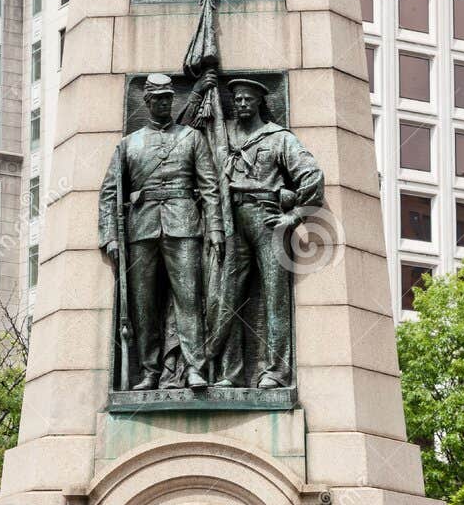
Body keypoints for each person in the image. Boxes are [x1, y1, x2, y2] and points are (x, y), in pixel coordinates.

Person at [98, 73, 223, 390]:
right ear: (148, 102)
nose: (166, 102)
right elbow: (110, 194)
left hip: (184, 226)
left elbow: (209, 187)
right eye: (159, 99)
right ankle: (150, 371)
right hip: (142, 230)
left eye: (169, 97)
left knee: (189, 300)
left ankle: (194, 368)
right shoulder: (129, 144)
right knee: (144, 306)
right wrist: (111, 236)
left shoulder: (192, 138)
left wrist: (216, 228)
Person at [212, 77, 324, 389]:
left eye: (248, 99)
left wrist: (294, 216)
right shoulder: (224, 136)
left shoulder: (278, 139)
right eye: (237, 99)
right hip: (231, 219)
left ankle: (275, 371)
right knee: (228, 297)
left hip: (267, 220)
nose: (242, 104)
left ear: (260, 101)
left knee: (275, 297)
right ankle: (228, 373)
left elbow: (312, 176)